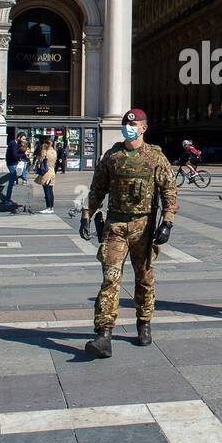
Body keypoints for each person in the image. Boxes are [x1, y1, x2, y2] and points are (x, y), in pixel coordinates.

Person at [80, 109, 178, 358]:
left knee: (144, 277)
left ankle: (144, 322)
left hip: (143, 227)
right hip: (115, 226)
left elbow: (169, 192)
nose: (128, 127)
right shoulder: (113, 156)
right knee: (110, 278)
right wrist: (86, 214)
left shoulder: (155, 157)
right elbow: (97, 188)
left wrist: (167, 222)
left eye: (133, 125)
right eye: (126, 124)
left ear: (143, 128)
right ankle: (103, 334)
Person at [3, 134, 27, 203]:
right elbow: (15, 154)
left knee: (14, 178)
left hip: (14, 163)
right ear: (19, 137)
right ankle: (7, 200)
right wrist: (23, 155)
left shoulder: (16, 143)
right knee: (11, 181)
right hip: (12, 164)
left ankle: (8, 199)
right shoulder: (13, 144)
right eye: (23, 139)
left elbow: (18, 154)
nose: (24, 140)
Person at [35, 140, 56, 214]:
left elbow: (40, 160)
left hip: (46, 172)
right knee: (50, 190)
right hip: (52, 171)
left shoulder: (45, 151)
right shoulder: (54, 151)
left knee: (46, 189)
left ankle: (48, 207)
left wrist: (43, 149)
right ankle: (51, 207)